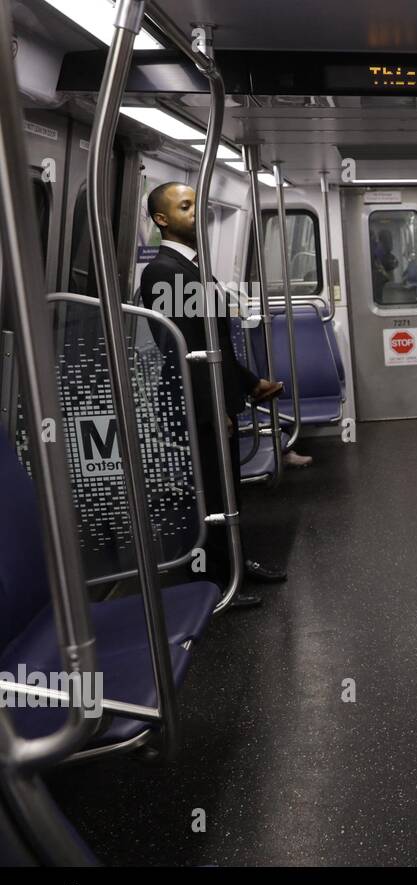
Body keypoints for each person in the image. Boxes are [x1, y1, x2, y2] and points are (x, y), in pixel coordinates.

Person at [139, 182, 293, 609]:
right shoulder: (164, 272)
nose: (197, 212)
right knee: (208, 497)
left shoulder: (191, 266)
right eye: (185, 206)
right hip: (195, 405)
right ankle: (213, 585)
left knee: (229, 493)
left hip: (212, 399)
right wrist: (209, 410)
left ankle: (236, 568)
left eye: (198, 204)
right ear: (161, 219)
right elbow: (184, 351)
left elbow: (215, 343)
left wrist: (248, 383)